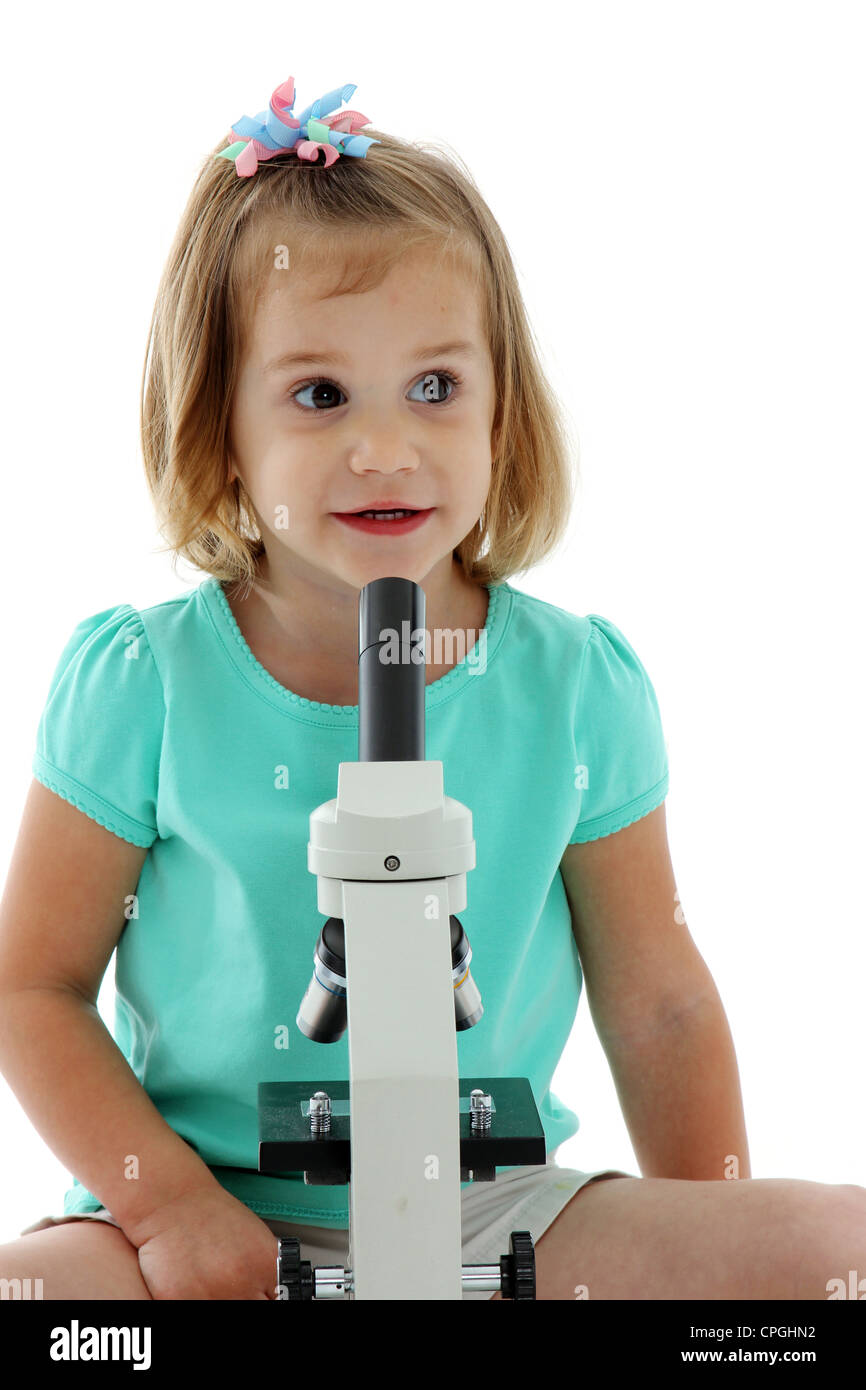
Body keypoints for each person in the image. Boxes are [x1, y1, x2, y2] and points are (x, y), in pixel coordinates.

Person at [0, 73, 863, 1303]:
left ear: (500, 414)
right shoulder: (140, 683)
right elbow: (29, 986)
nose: (385, 447)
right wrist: (169, 1206)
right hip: (205, 1211)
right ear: (217, 431)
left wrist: (702, 1265)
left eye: (435, 388)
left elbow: (658, 1000)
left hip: (493, 1208)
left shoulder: (576, 686)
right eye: (317, 396)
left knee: (829, 1255)